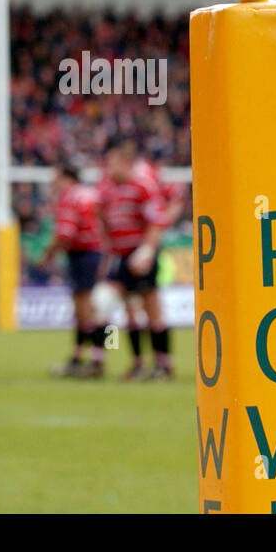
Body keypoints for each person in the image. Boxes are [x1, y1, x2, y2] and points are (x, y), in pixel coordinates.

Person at [97, 137, 171, 381]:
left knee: (152, 307)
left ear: (126, 162)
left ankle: (163, 365)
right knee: (128, 310)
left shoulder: (143, 186)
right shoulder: (109, 190)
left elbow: (156, 221)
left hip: (140, 253)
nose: (109, 167)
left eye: (113, 162)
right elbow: (105, 221)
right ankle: (138, 364)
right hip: (121, 256)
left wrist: (147, 251)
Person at [42, 163, 105, 378]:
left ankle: (93, 359)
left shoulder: (69, 197)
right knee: (88, 308)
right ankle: (85, 356)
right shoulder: (91, 193)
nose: (53, 182)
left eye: (56, 177)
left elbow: (65, 233)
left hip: (84, 254)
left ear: (66, 178)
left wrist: (48, 254)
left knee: (85, 309)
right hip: (97, 252)